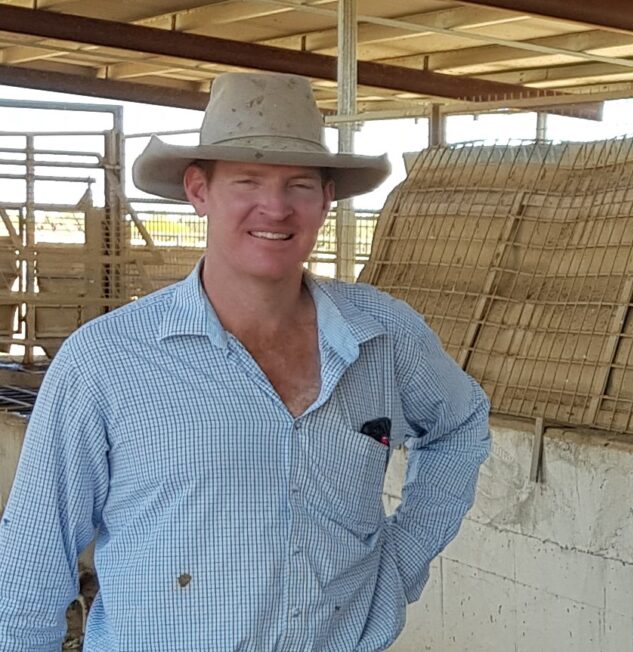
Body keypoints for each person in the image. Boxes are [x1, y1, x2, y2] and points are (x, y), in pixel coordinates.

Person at [0, 72, 490, 651]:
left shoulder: (383, 335)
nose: (275, 208)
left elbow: (461, 424)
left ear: (326, 199)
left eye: (299, 185)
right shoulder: (107, 360)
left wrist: (400, 561)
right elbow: (34, 557)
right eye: (247, 181)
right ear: (199, 190)